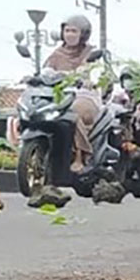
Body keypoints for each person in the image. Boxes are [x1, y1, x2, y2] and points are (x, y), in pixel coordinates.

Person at [44, 15, 102, 172]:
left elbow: (96, 71)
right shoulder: (56, 54)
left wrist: (88, 78)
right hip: (59, 95)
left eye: (74, 31)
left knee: (72, 113)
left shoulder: (90, 53)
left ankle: (80, 156)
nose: (69, 34)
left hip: (84, 95)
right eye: (67, 30)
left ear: (83, 34)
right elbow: (45, 72)